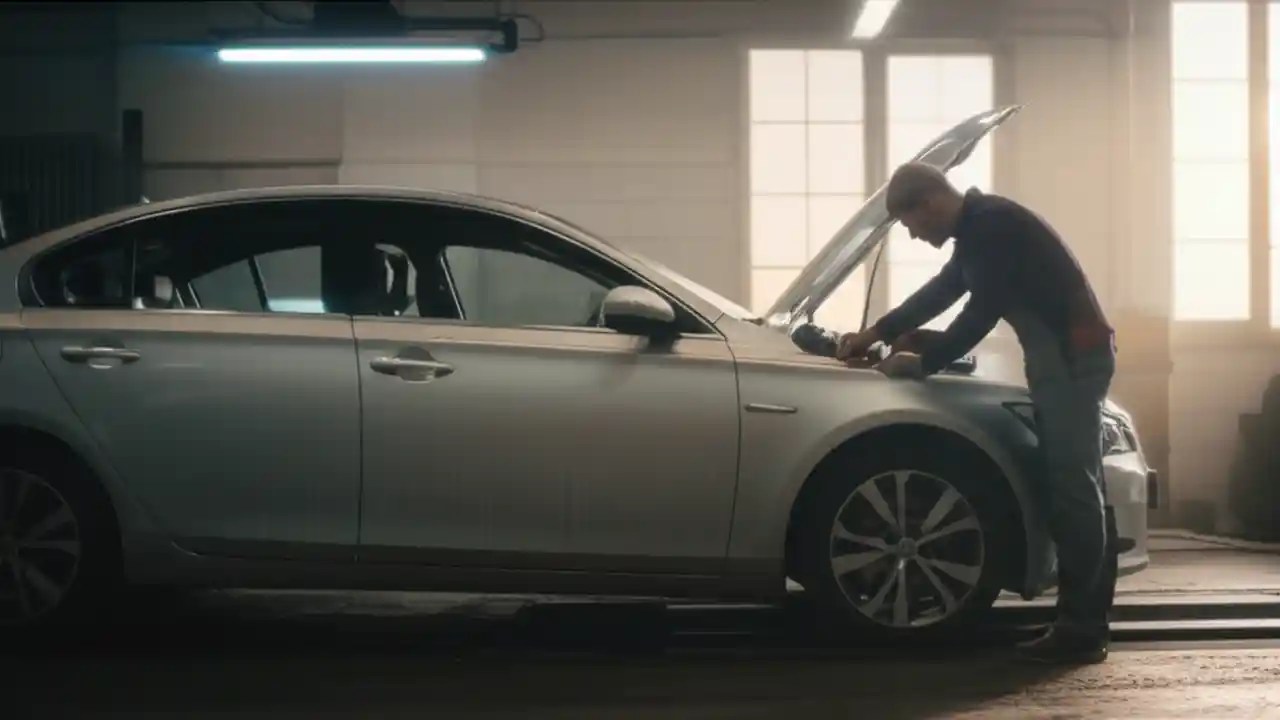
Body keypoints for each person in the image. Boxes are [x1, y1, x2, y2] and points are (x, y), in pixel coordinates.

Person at [837, 162, 1118, 664]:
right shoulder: (978, 230)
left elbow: (981, 310)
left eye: (910, 224)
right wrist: (875, 333)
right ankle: (1083, 624)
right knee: (1076, 485)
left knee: (1075, 490)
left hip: (1071, 359)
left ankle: (1081, 630)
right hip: (1059, 357)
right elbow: (942, 293)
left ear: (928, 203)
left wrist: (924, 363)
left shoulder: (992, 226)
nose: (915, 236)